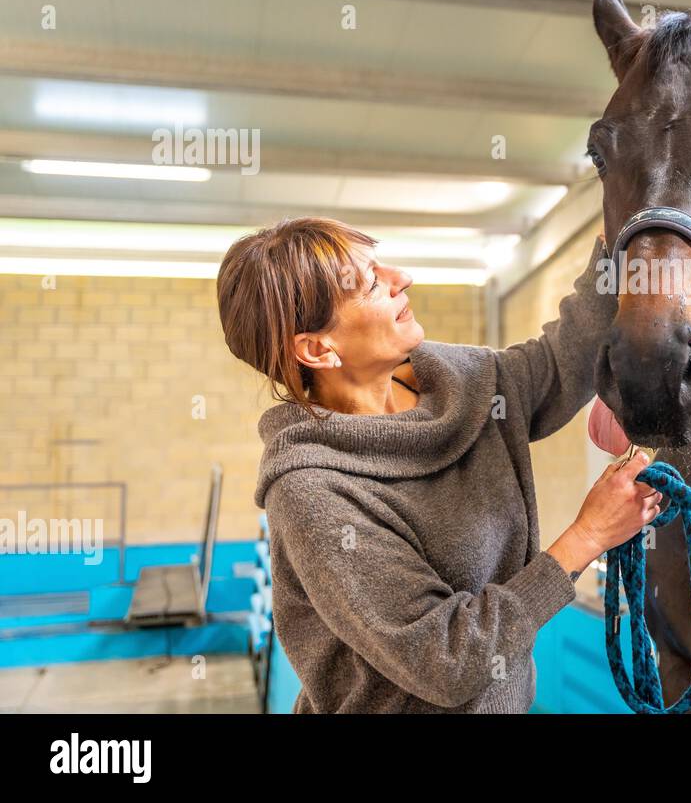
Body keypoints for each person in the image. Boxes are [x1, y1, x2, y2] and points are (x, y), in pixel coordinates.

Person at [216, 216, 656, 712]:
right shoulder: (315, 495)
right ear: (318, 349)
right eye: (368, 283)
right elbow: (448, 660)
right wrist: (589, 536)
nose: (400, 277)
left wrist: (621, 226)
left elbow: (562, 363)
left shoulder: (462, 383)